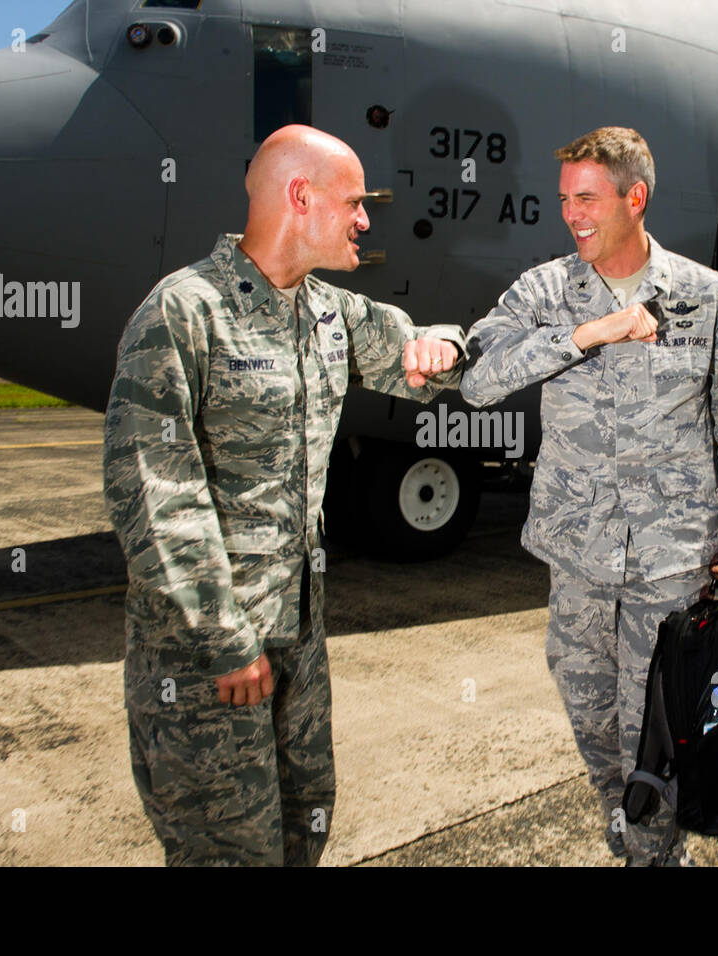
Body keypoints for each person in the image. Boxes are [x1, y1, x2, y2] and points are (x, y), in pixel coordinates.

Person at [103, 125, 465, 866]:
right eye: (354, 203)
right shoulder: (184, 312)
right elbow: (155, 493)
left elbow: (419, 356)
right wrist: (224, 640)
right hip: (211, 657)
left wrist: (446, 346)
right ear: (300, 197)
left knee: (305, 827)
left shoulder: (330, 311)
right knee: (229, 849)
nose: (366, 220)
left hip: (298, 640)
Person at [460, 127, 718, 866]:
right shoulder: (546, 292)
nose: (571, 214)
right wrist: (584, 334)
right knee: (591, 713)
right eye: (565, 197)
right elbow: (477, 381)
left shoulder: (705, 297)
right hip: (577, 556)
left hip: (674, 563)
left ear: (635, 198)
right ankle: (624, 811)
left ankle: (655, 850)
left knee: (658, 726)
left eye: (588, 198)